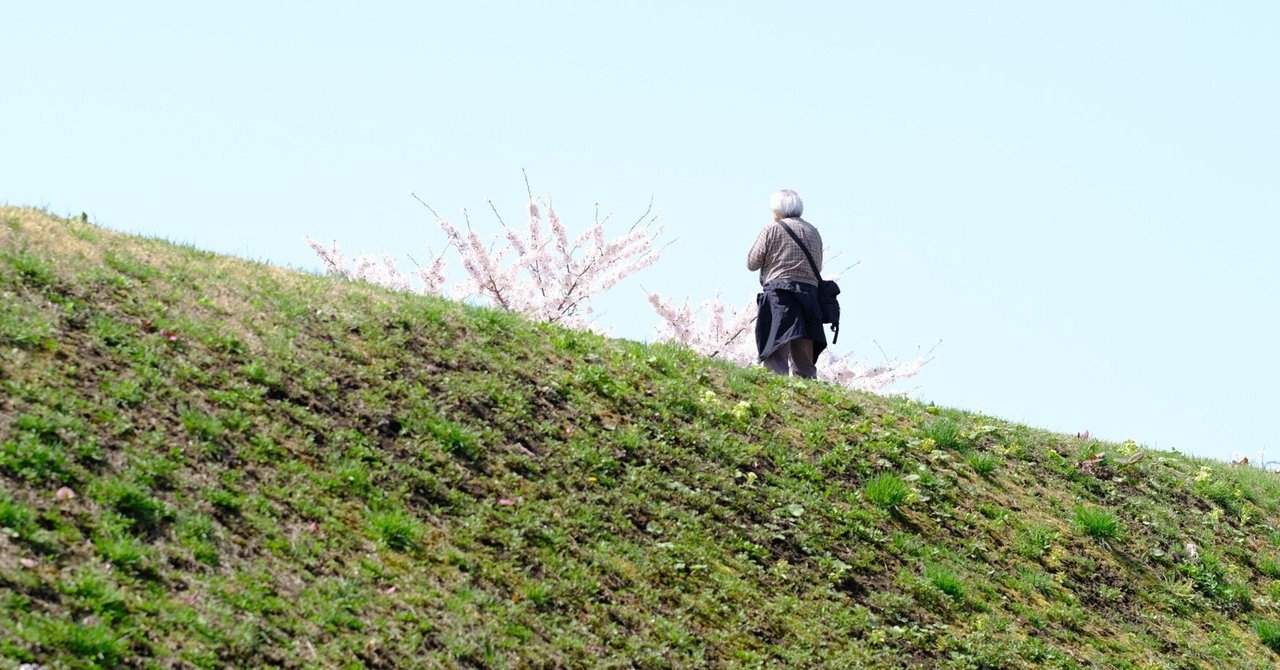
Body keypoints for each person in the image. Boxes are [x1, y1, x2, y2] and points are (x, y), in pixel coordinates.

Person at [747, 189, 827, 378]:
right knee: (804, 358)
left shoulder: (772, 229)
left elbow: (752, 263)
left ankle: (775, 389)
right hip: (809, 297)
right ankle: (808, 394)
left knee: (776, 349)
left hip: (780, 294)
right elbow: (819, 266)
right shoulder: (813, 232)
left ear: (777, 210)